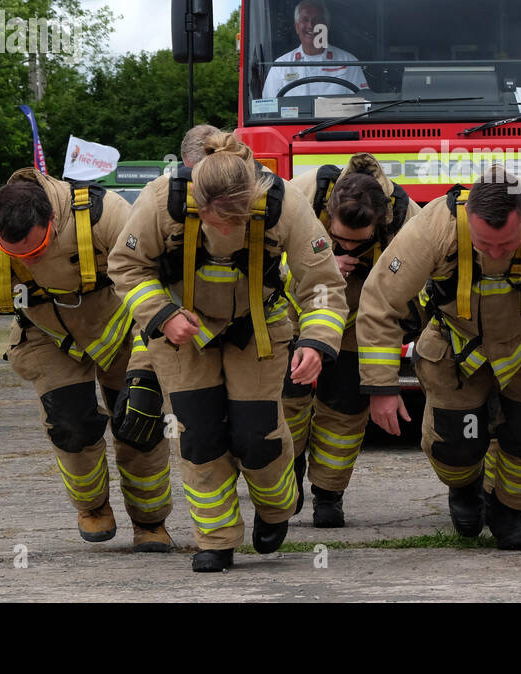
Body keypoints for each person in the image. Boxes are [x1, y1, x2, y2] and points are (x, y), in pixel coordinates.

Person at [109, 131, 348, 572]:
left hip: (257, 329)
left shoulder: (283, 204)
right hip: (183, 331)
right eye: (216, 222)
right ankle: (216, 540)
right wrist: (162, 314)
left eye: (234, 223)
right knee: (198, 437)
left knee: (255, 436)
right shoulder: (162, 199)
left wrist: (317, 342)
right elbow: (125, 265)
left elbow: (324, 285)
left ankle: (278, 509)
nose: (225, 231)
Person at [357, 167, 521, 551]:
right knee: (453, 445)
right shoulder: (435, 225)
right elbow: (379, 300)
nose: (493, 254)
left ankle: (511, 511)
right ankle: (465, 487)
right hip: (455, 349)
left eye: (505, 245)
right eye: (482, 244)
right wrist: (381, 386)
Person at [0, 169, 175, 552]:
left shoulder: (103, 213)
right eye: (18, 256)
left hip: (121, 324)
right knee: (70, 426)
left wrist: (146, 371)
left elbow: (156, 289)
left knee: (140, 420)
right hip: (48, 334)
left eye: (36, 251)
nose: (29, 262)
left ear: (51, 220)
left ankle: (151, 520)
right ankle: (92, 506)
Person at [283, 154, 417, 527]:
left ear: (380, 223)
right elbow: (262, 260)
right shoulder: (298, 197)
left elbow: (419, 278)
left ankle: (328, 496)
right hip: (299, 321)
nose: (346, 249)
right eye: (337, 240)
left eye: (357, 244)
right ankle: (286, 476)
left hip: (360, 326)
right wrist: (321, 266)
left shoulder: (406, 217)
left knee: (343, 417)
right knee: (286, 408)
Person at [261, 0, 369, 99]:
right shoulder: (281, 66)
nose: (311, 25)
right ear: (297, 27)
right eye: (305, 19)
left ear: (327, 25)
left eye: (317, 20)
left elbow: (363, 103)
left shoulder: (348, 62)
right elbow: (268, 111)